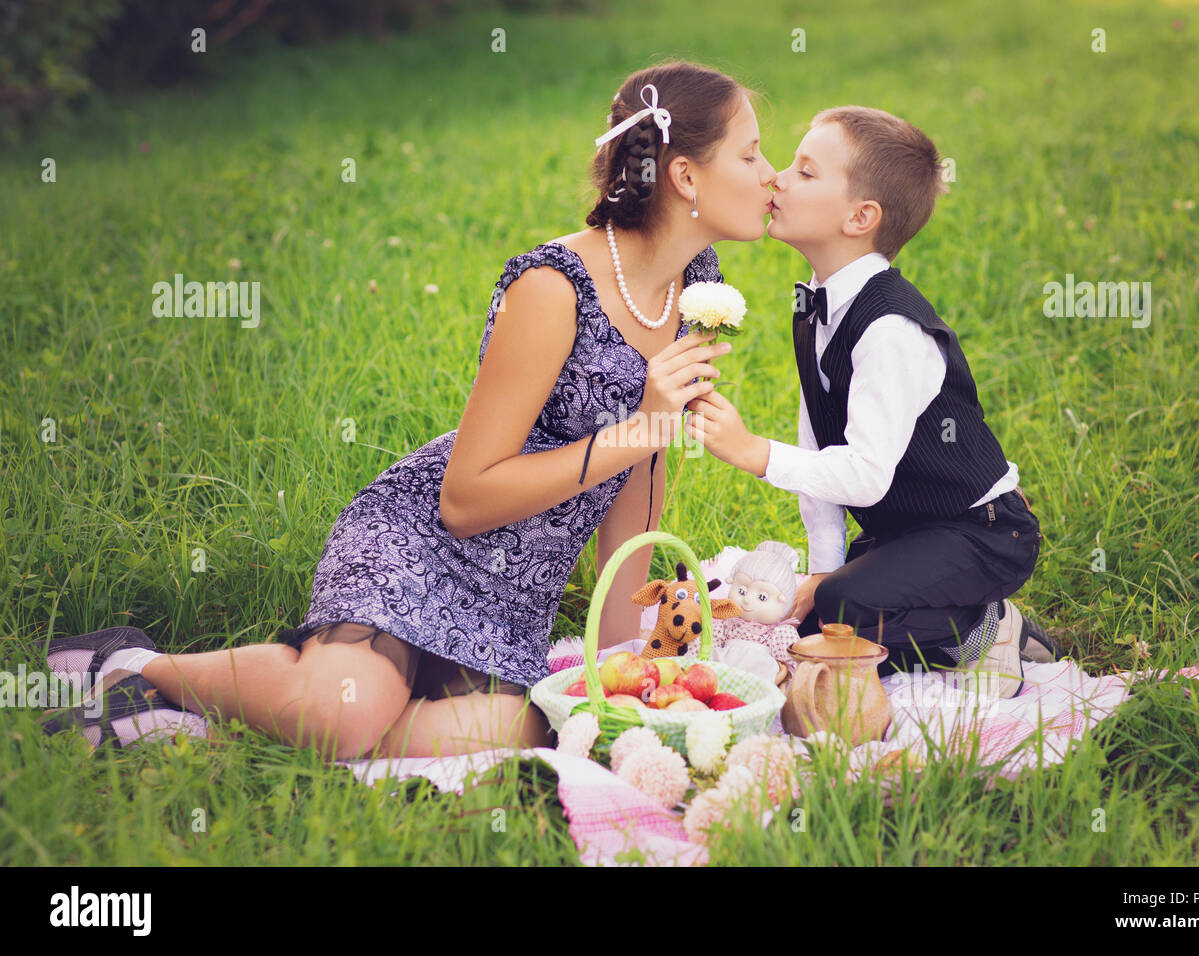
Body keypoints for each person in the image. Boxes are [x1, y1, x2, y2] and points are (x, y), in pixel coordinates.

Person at [44, 60, 779, 758]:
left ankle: (228, 722)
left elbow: (638, 486)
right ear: (683, 174)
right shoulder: (554, 286)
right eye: (752, 155)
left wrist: (627, 667)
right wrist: (640, 428)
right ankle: (135, 666)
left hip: (516, 595)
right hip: (422, 545)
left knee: (539, 724)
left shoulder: (694, 286)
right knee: (343, 712)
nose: (770, 175)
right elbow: (463, 500)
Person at [685, 105, 1059, 699]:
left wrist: (754, 452)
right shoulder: (816, 305)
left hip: (984, 534)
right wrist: (824, 564)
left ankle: (986, 625)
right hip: (910, 531)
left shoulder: (889, 329)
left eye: (805, 173)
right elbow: (820, 443)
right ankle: (920, 611)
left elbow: (862, 473)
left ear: (860, 217)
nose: (777, 178)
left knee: (844, 607)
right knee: (812, 611)